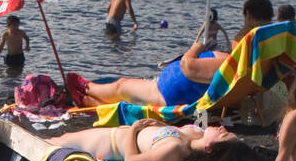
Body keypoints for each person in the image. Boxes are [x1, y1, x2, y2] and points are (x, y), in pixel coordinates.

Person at [83, 34, 230, 109]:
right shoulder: (234, 63)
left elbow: (188, 67)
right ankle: (91, 98)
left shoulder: (229, 64)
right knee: (122, 89)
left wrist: (197, 46)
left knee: (121, 87)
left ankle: (85, 88)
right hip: (168, 89)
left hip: (166, 95)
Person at [45, 117, 252, 161]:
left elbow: (131, 159)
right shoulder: (197, 133)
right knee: (59, 140)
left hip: (109, 142)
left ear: (209, 148)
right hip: (115, 133)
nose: (223, 128)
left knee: (55, 142)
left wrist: (134, 129)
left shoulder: (174, 150)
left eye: (224, 135)